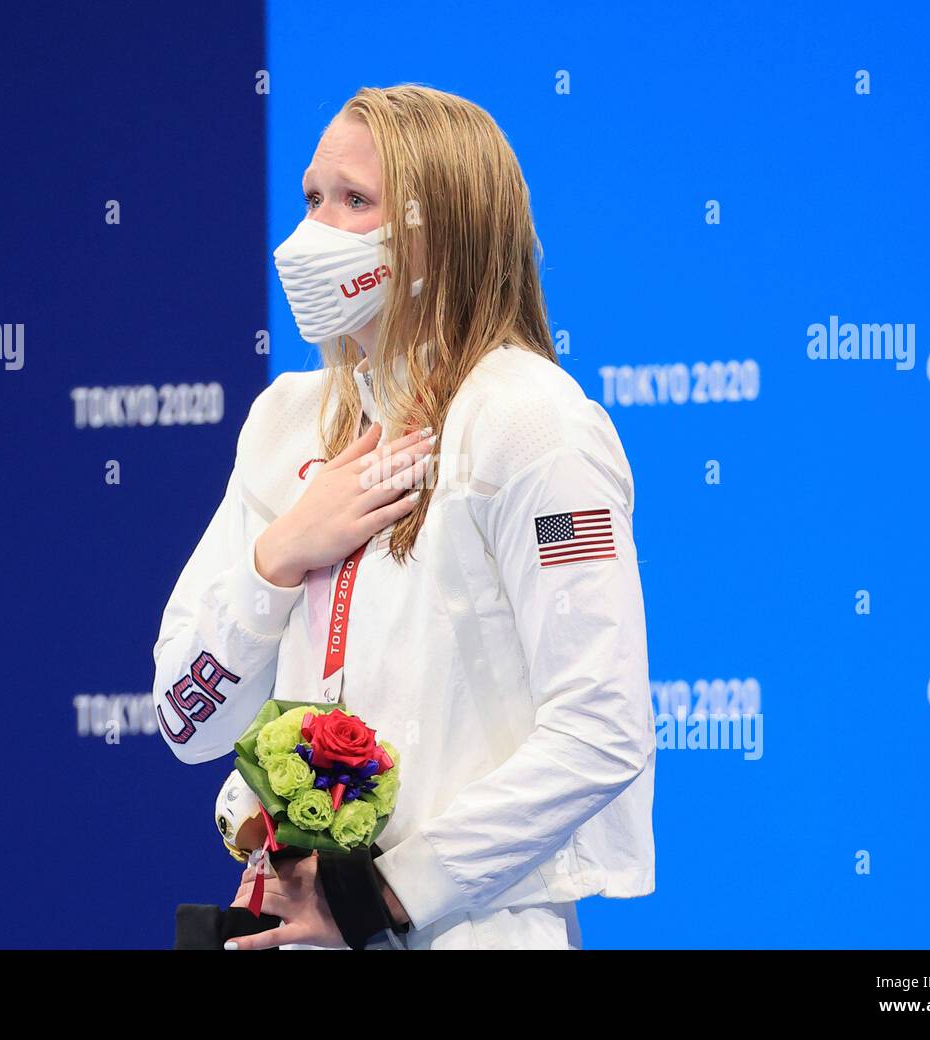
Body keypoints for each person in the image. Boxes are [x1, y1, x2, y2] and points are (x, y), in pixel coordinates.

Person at [152, 84, 655, 950]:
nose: (311, 234)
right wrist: (279, 556)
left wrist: (384, 895)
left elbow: (601, 728)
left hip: (477, 930)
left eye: (355, 201)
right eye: (312, 198)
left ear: (443, 229)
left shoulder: (535, 425)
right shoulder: (285, 420)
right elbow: (184, 723)